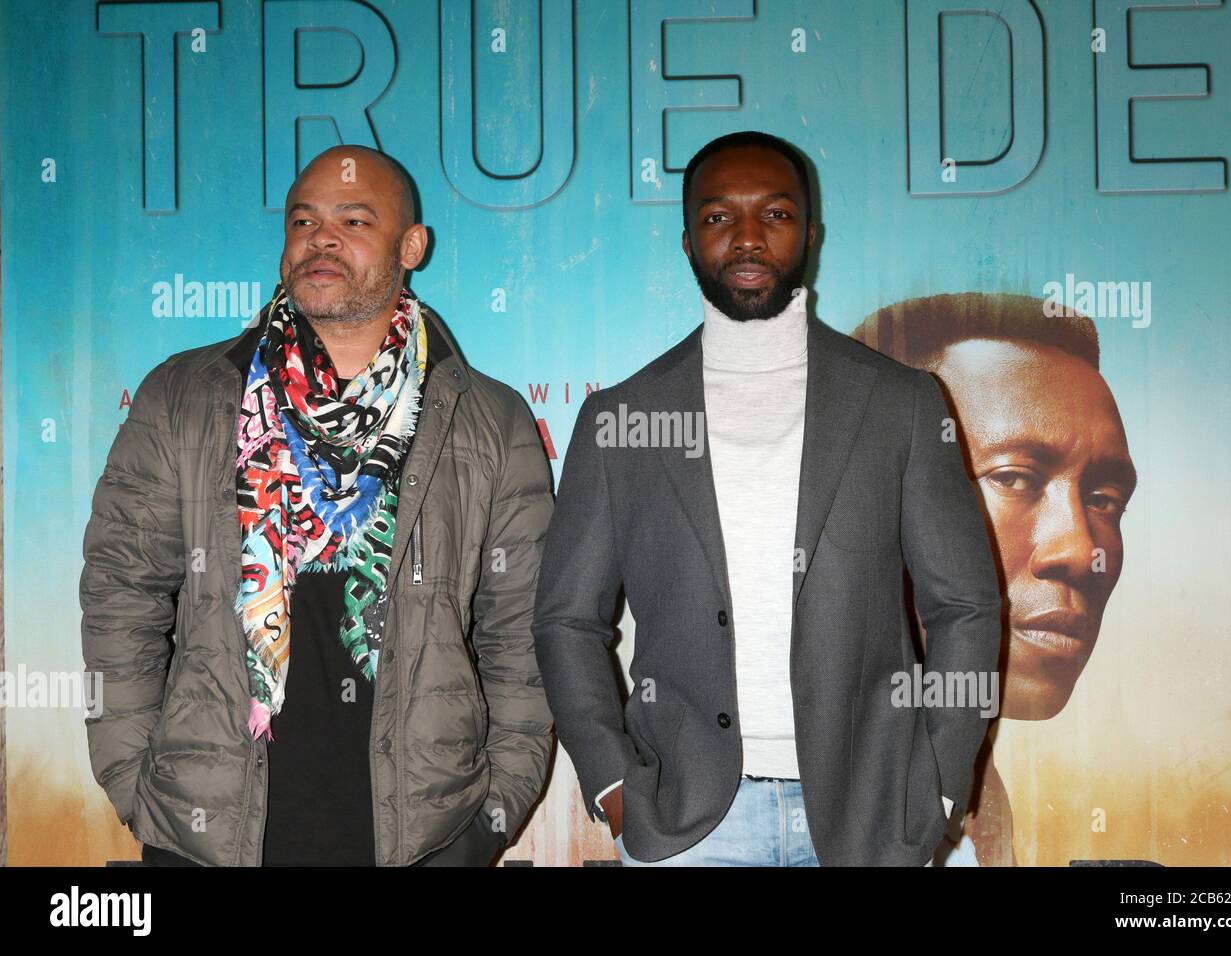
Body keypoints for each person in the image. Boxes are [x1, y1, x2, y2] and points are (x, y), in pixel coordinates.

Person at [532, 131, 1002, 866]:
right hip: (689, 828)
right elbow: (565, 619)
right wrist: (614, 784)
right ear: (688, 241)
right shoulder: (619, 419)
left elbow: (965, 606)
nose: (748, 237)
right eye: (719, 218)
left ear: (810, 235)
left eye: (775, 215)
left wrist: (939, 781)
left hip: (872, 818)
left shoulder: (901, 405)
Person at [80, 144, 554, 866]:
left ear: (412, 246)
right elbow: (121, 597)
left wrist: (487, 817)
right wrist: (138, 788)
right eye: (303, 221)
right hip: (213, 837)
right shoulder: (186, 397)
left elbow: (523, 633)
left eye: (354, 220)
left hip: (421, 836)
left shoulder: (486, 419)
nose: (321, 239)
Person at [853, 293, 1138, 865]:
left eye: (1104, 499)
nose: (1082, 552)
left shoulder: (978, 796)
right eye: (1012, 477)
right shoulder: (771, 784)